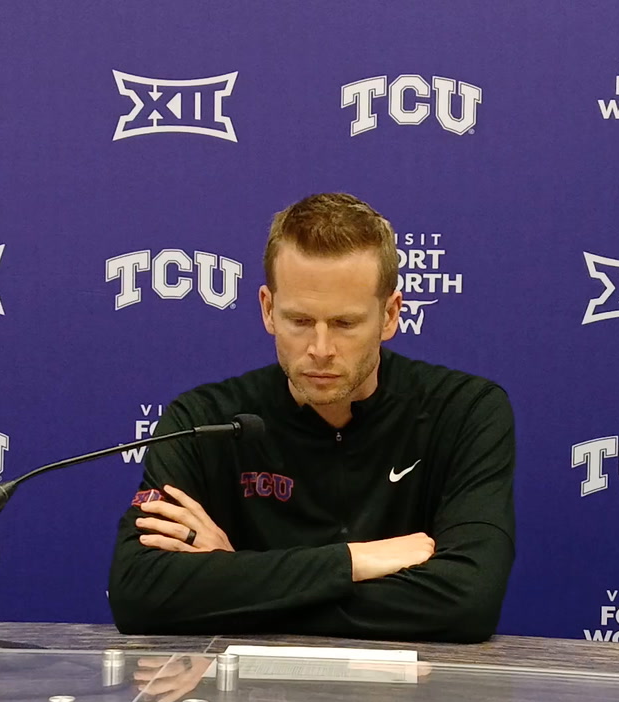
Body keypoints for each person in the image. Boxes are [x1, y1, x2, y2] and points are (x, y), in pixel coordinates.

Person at [107, 193, 515, 643]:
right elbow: (137, 593)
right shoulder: (203, 419)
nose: (320, 349)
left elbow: (468, 602)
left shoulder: (464, 411)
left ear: (390, 315)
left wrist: (231, 578)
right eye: (300, 320)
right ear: (267, 309)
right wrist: (355, 561)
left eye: (345, 324)